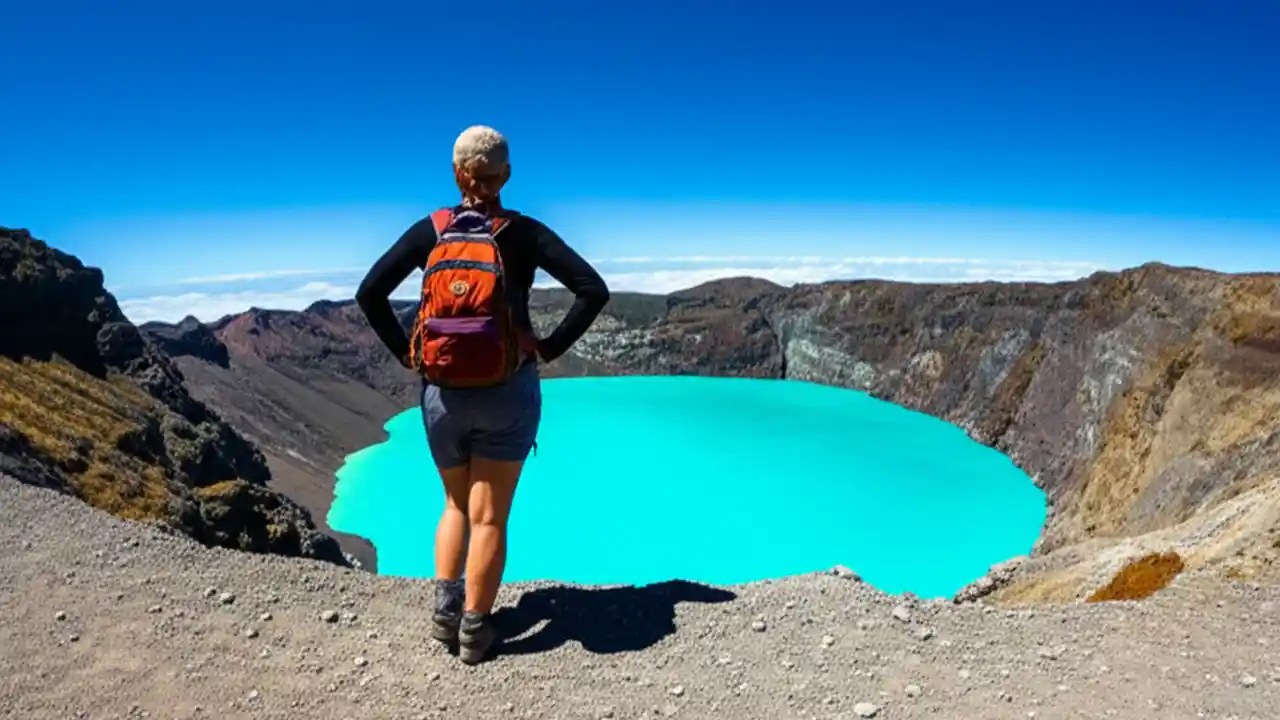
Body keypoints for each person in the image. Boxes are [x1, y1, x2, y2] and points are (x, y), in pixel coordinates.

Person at [355, 125, 609, 664]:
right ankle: (475, 631)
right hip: (506, 390)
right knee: (489, 516)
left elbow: (369, 292)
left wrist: (407, 352)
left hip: (442, 394)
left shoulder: (432, 231)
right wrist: (548, 346)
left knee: (453, 504)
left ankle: (444, 616)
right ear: (506, 176)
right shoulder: (525, 233)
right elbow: (593, 290)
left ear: (455, 173)